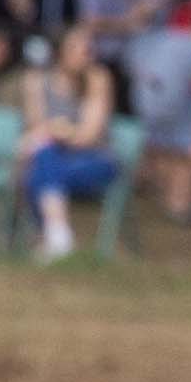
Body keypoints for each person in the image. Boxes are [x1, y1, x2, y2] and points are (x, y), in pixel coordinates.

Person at [18, 35, 122, 264]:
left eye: (89, 50)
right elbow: (36, 123)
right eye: (78, 49)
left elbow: (88, 136)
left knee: (39, 168)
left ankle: (53, 237)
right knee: (45, 158)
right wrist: (53, 132)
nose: (85, 55)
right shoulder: (37, 80)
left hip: (95, 160)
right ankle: (58, 235)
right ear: (61, 52)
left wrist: (56, 130)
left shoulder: (98, 79)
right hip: (54, 158)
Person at [119, 0, 191, 232]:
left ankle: (164, 196)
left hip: (145, 107)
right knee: (186, 153)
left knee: (160, 149)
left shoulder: (138, 42)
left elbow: (133, 71)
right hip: (176, 108)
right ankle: (178, 204)